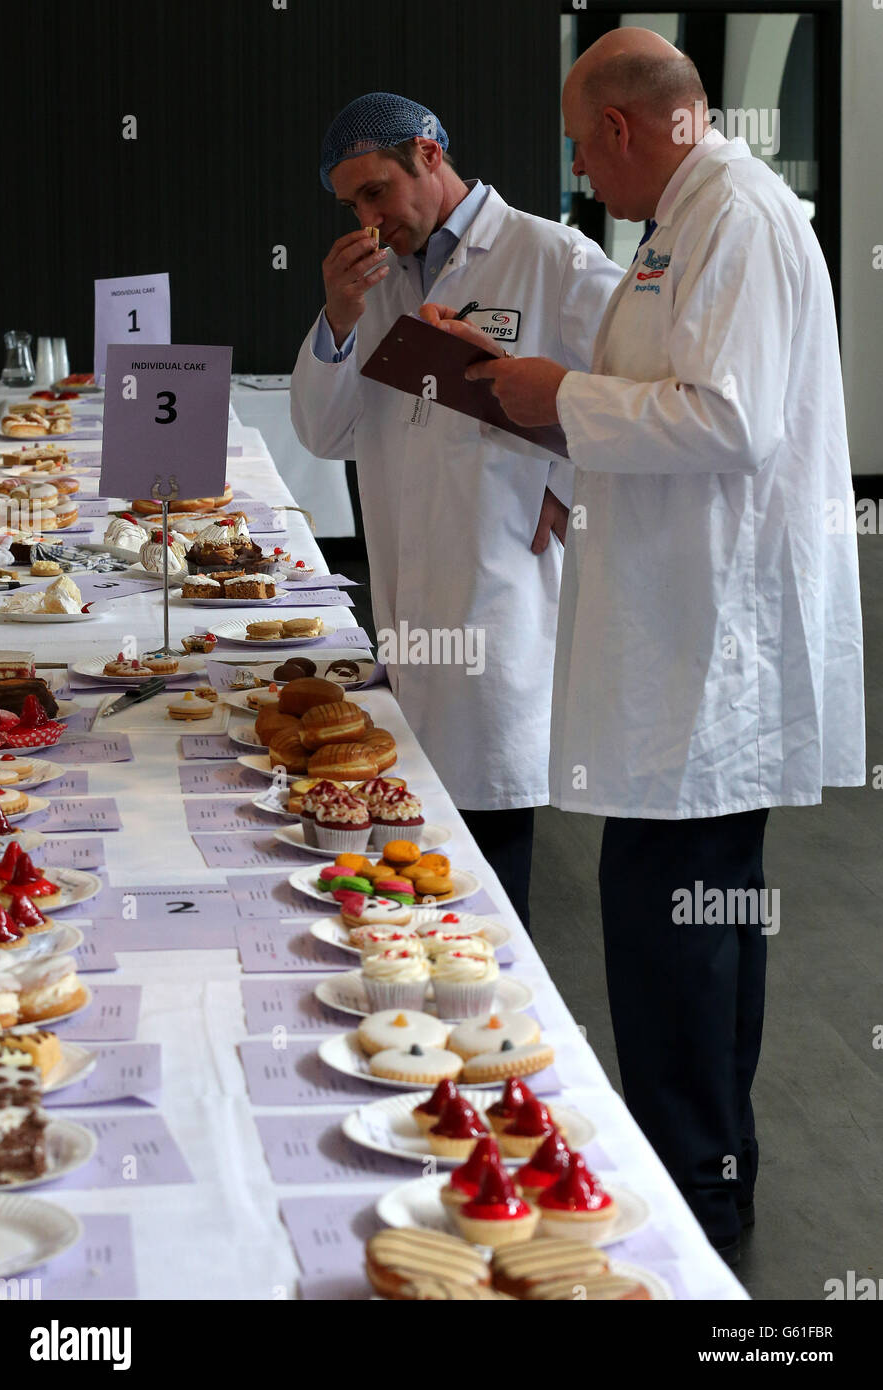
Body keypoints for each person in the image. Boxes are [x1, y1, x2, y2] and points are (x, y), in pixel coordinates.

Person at [428, 30, 865, 1261]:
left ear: (621, 128)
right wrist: (556, 411)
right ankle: (711, 1188)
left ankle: (697, 1217)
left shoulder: (738, 216)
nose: (577, 169)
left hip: (710, 647)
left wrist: (552, 395)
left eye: (578, 144)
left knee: (675, 940)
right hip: (685, 640)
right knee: (698, 931)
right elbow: (667, 397)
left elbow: (729, 418)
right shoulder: (688, 217)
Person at [290, 92, 623, 927]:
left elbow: (629, 405)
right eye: (349, 204)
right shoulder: (376, 284)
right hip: (410, 575)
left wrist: (567, 488)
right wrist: (337, 317)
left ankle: (495, 1008)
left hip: (500, 572)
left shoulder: (553, 259)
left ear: (429, 156)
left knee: (487, 816)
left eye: (374, 193)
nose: (367, 218)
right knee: (412, 813)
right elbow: (325, 432)